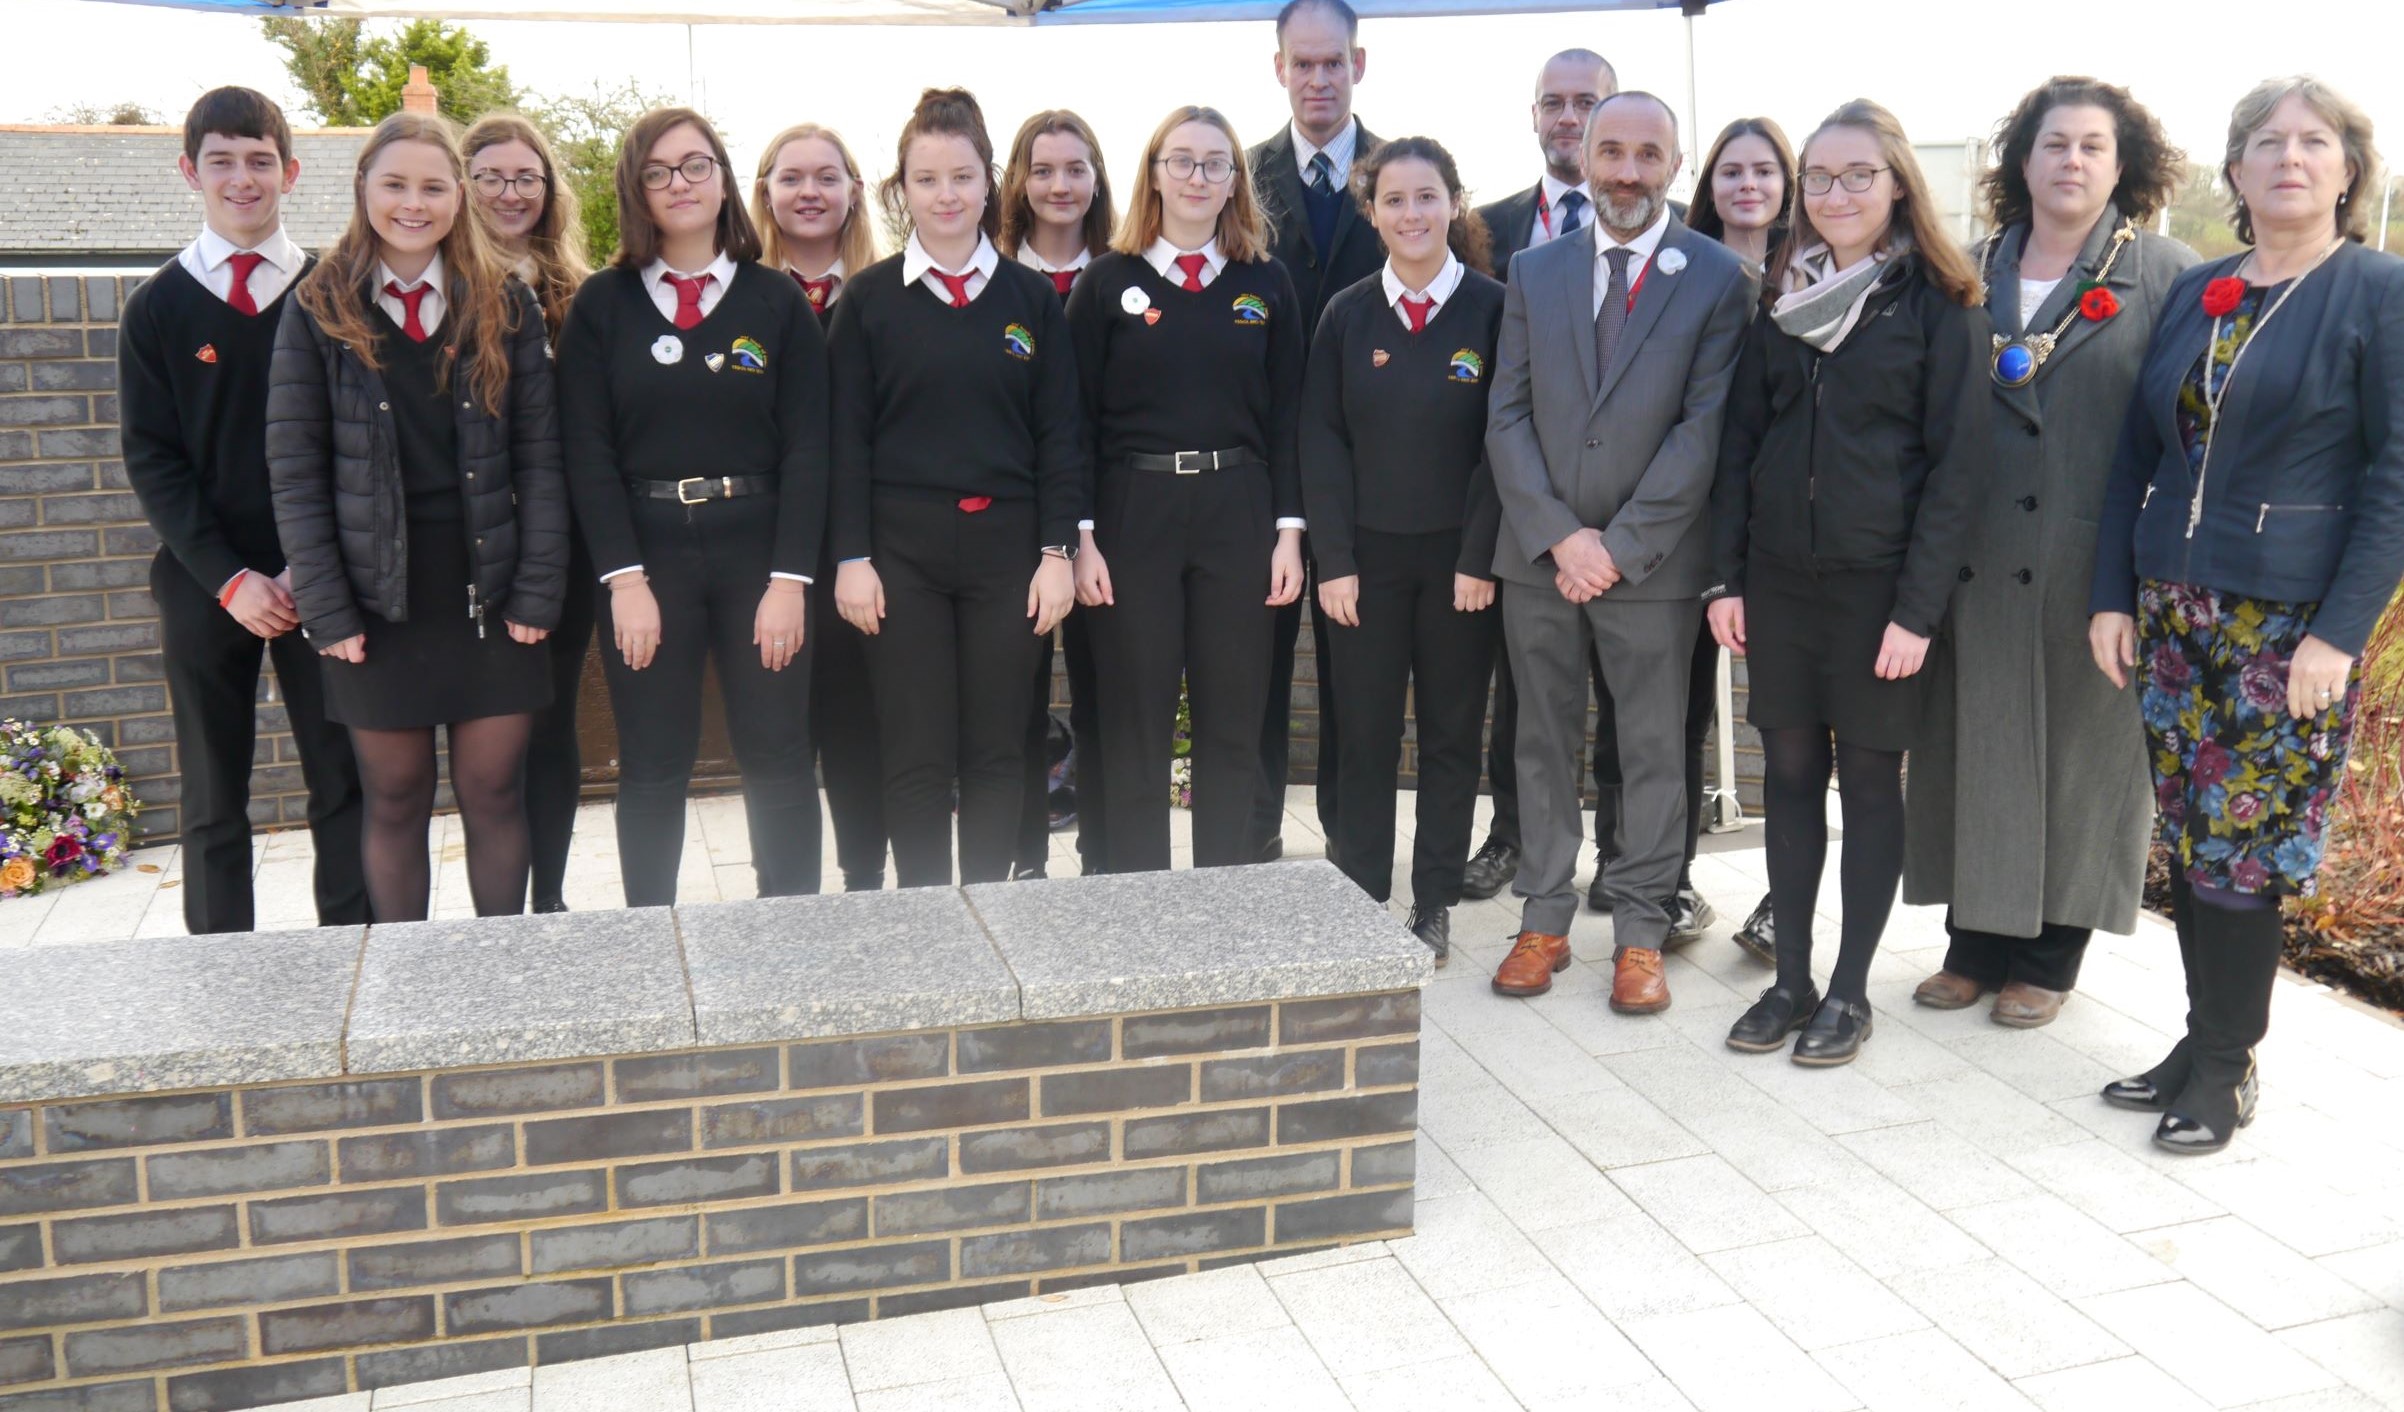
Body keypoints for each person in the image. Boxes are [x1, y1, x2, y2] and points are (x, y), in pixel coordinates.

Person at [2089, 76, 2404, 1153]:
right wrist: (2108, 595)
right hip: (2174, 611)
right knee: (2189, 840)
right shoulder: (2202, 288)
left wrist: (2338, 631)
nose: (2288, 157)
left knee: (2245, 852)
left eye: (2314, 141)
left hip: (2287, 628)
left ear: (2347, 170)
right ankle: (2198, 1037)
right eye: (2264, 142)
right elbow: (2134, 451)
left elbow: (2394, 477)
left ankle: (2226, 1066)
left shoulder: (2376, 290)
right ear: (2232, 172)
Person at [1904, 79, 2196, 1028]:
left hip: (2091, 558)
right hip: (1973, 554)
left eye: (2093, 147)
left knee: (2080, 756)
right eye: (2053, 143)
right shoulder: (1963, 267)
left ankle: (2050, 953)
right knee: (1976, 741)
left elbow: (2185, 426)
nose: (2071, 161)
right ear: (2021, 160)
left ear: (2124, 166)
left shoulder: (2164, 273)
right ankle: (1972, 945)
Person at [1709, 100, 1990, 1065]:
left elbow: (1958, 473)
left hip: (1880, 591)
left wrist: (1918, 612)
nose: (1835, 194)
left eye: (1856, 175)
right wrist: (1724, 581)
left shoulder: (1942, 305)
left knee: (1868, 782)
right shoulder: (1781, 300)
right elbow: (1741, 443)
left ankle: (1848, 992)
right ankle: (1789, 980)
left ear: (1897, 184)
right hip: (1780, 583)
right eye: (1818, 178)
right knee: (1788, 778)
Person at [1484, 93, 1752, 1013]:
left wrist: (1620, 544)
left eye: (1647, 154)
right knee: (1541, 742)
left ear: (1675, 165)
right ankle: (1544, 920)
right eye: (1611, 152)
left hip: (1653, 567)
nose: (1626, 172)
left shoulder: (1716, 277)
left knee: (1649, 753)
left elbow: (1703, 430)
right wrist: (1561, 534)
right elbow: (1506, 412)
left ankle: (1640, 932)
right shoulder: (1533, 267)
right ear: (1583, 156)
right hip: (1540, 560)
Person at [266, 111, 568, 923]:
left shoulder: (504, 303)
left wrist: (539, 589)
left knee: (493, 790)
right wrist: (327, 610)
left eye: (433, 186)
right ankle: (410, 985)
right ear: (363, 188)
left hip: (490, 592)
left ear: (458, 196)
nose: (413, 203)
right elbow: (294, 476)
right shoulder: (317, 308)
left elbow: (544, 458)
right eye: (394, 184)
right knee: (395, 798)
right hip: (372, 600)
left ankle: (501, 973)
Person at [556, 107, 830, 907]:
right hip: (646, 561)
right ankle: (652, 938)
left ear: (723, 181)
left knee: (778, 754)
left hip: (759, 558)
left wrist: (789, 582)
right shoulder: (600, 307)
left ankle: (790, 931)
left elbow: (808, 451)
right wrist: (623, 579)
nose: (679, 183)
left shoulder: (776, 303)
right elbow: (588, 455)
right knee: (652, 762)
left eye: (696, 165)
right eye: (658, 170)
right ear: (635, 189)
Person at [120, 87, 367, 936]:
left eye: (260, 160)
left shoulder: (335, 294)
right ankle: (222, 968)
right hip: (206, 581)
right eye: (221, 160)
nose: (242, 178)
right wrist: (231, 580)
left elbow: (360, 444)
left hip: (324, 574)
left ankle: (358, 949)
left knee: (343, 777)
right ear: (190, 171)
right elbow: (153, 459)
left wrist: (310, 564)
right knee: (213, 790)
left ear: (290, 172)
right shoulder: (156, 308)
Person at [829, 89, 1085, 888]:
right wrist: (851, 557)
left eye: (962, 177)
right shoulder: (868, 301)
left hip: (1008, 551)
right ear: (902, 189)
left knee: (997, 743)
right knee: (915, 746)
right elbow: (844, 442)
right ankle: (927, 922)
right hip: (898, 553)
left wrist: (1056, 553)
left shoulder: (1030, 299)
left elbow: (1060, 439)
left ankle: (985, 913)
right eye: (927, 179)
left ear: (988, 183)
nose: (946, 195)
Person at [1067, 104, 1306, 874]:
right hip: (1133, 513)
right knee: (1135, 718)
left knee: (1232, 717)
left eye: (1215, 162)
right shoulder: (1106, 283)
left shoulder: (1266, 283)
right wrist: (1082, 538)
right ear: (1154, 174)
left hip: (1239, 510)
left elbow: (1291, 416)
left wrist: (1289, 534)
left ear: (1235, 179)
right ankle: (1142, 903)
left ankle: (1222, 902)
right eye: (1183, 160)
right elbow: (1074, 421)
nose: (1198, 175)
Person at [1303, 136, 1503, 965]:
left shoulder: (1496, 309)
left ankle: (1435, 900)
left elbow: (1506, 440)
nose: (1412, 214)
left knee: (1453, 737)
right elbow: (1320, 439)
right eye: (1394, 199)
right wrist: (1336, 561)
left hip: (1461, 569)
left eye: (1427, 197)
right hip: (1367, 568)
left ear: (1455, 203)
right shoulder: (1347, 313)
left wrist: (1480, 556)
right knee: (1365, 733)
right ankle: (1359, 892)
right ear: (1372, 211)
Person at [1463, 49, 1627, 921]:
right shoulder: (1486, 229)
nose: (1569, 117)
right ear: (1534, 117)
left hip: (1629, 521)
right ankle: (1513, 835)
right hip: (1520, 508)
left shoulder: (1668, 235)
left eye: (1586, 103)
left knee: (1618, 694)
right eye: (1554, 103)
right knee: (1521, 691)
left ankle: (1621, 854)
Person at [1247, 0, 1382, 864]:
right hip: (1255, 463)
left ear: (1358, 66)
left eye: (1333, 63)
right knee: (1255, 661)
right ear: (1280, 70)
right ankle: (1253, 828)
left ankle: (1348, 835)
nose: (1319, 79)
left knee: (1354, 670)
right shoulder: (1239, 174)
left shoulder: (1404, 173)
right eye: (1304, 63)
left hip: (1362, 471)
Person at [754, 121, 889, 893]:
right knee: (776, 734)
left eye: (827, 177)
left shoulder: (888, 289)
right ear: (765, 191)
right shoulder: (737, 294)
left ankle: (864, 884)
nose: (809, 192)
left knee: (855, 728)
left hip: (863, 546)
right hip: (767, 548)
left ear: (853, 191)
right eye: (791, 177)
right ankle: (785, 894)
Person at [463, 112, 594, 916]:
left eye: (527, 179)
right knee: (486, 742)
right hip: (471, 551)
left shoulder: (576, 294)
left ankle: (548, 900)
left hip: (563, 546)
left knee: (550, 725)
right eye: (492, 177)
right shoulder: (444, 291)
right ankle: (497, 908)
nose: (511, 193)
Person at [1684, 115, 1799, 963]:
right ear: (1709, 184)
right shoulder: (1679, 267)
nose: (1748, 185)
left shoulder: (1817, 277)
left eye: (1765, 170)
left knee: (1787, 723)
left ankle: (1779, 900)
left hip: (1784, 527)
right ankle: (1664, 878)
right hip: (1682, 525)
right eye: (1731, 171)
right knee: (1670, 710)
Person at [997, 109, 1117, 881]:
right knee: (1018, 695)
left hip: (1116, 521)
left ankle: (1103, 850)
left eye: (1075, 169)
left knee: (1107, 690)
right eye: (1043, 170)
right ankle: (1025, 855)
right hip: (1017, 520)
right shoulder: (992, 277)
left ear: (1098, 179)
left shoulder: (1126, 272)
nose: (1059, 184)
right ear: (1018, 182)